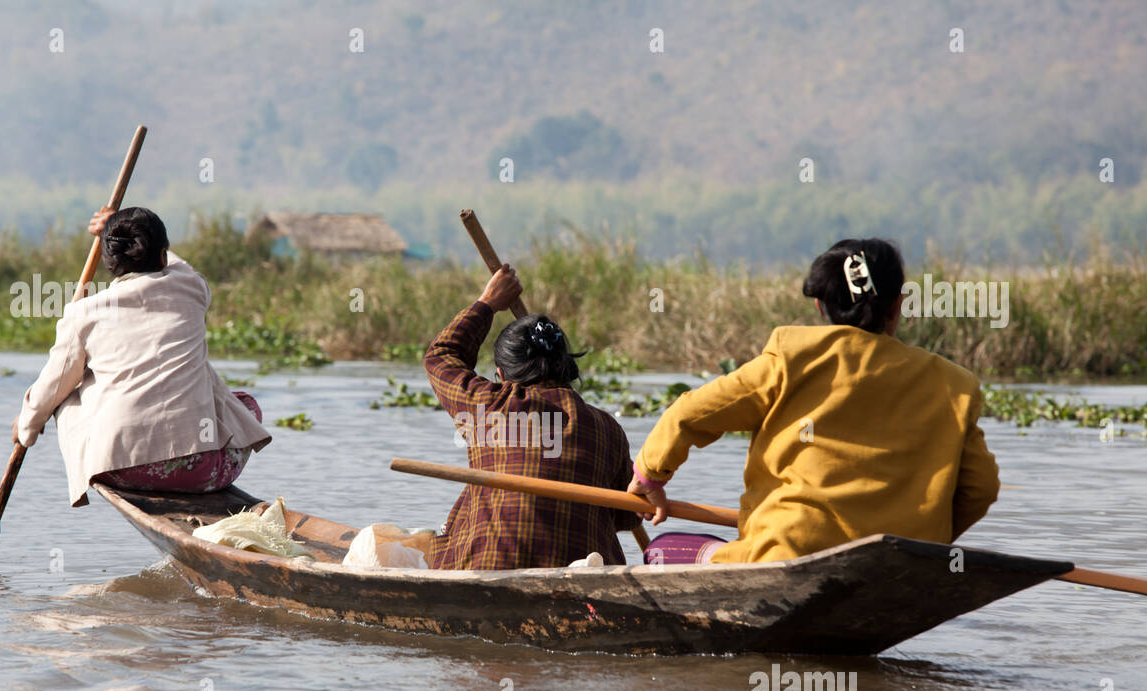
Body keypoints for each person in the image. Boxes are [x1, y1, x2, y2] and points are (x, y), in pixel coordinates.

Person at [628, 238, 1000, 564]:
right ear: (897, 305)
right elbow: (980, 488)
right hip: (901, 563)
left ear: (822, 307)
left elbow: (690, 413)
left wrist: (649, 476)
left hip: (789, 550)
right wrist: (925, 542)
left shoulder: (793, 358)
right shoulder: (954, 385)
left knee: (661, 550)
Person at [13, 206, 271, 506]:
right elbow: (179, 265)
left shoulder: (83, 313)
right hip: (200, 471)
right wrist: (117, 226)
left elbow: (51, 384)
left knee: (67, 396)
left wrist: (27, 427)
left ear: (109, 263)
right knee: (246, 407)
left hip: (116, 468)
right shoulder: (193, 288)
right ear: (163, 255)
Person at [423, 264, 640, 569]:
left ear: (500, 374)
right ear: (565, 366)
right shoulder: (607, 428)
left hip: (490, 568)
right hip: (585, 574)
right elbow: (628, 514)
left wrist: (487, 303)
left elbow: (440, 356)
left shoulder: (490, 405)